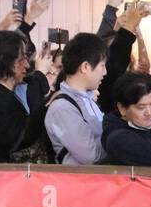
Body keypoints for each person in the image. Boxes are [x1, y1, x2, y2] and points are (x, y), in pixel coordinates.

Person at [0, 31, 49, 162]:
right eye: (22, 58)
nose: (27, 64)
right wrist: (39, 77)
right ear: (6, 60)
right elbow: (23, 136)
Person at [44, 33, 108, 165]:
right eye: (102, 65)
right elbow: (91, 155)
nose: (105, 72)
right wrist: (119, 139)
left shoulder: (88, 99)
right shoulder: (62, 108)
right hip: (79, 182)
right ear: (85, 67)